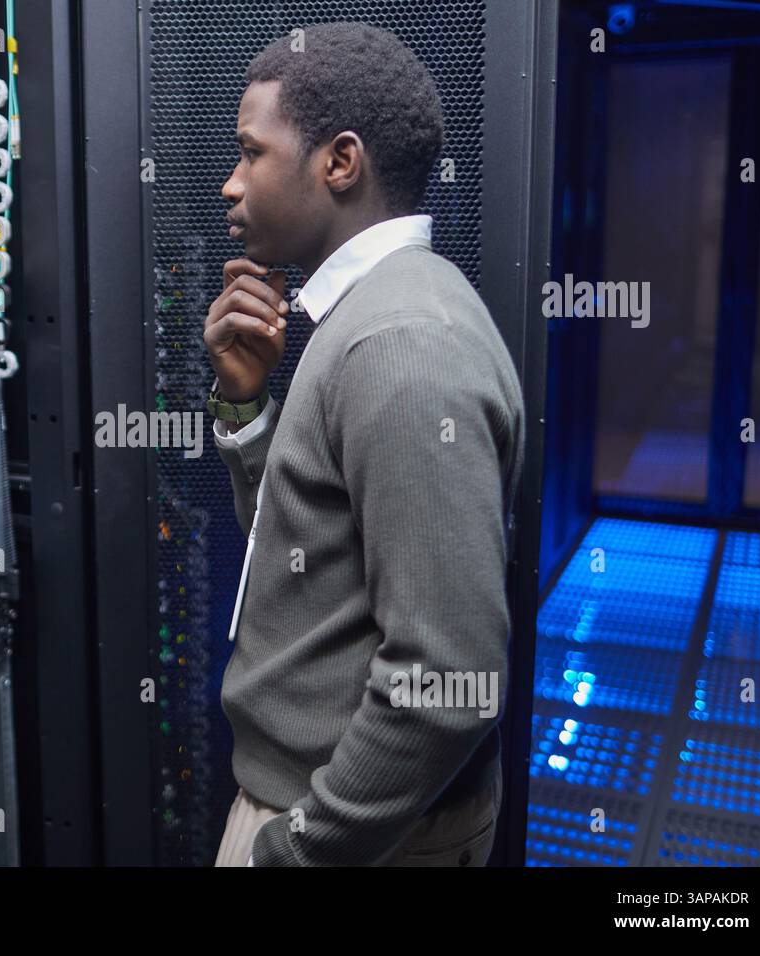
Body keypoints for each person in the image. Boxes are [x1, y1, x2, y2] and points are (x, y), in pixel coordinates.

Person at [204, 22, 524, 867]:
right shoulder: (369, 313)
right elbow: (304, 559)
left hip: (358, 838)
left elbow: (446, 686)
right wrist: (246, 407)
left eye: (250, 153)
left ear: (339, 163)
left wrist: (300, 852)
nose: (231, 186)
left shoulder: (402, 342)